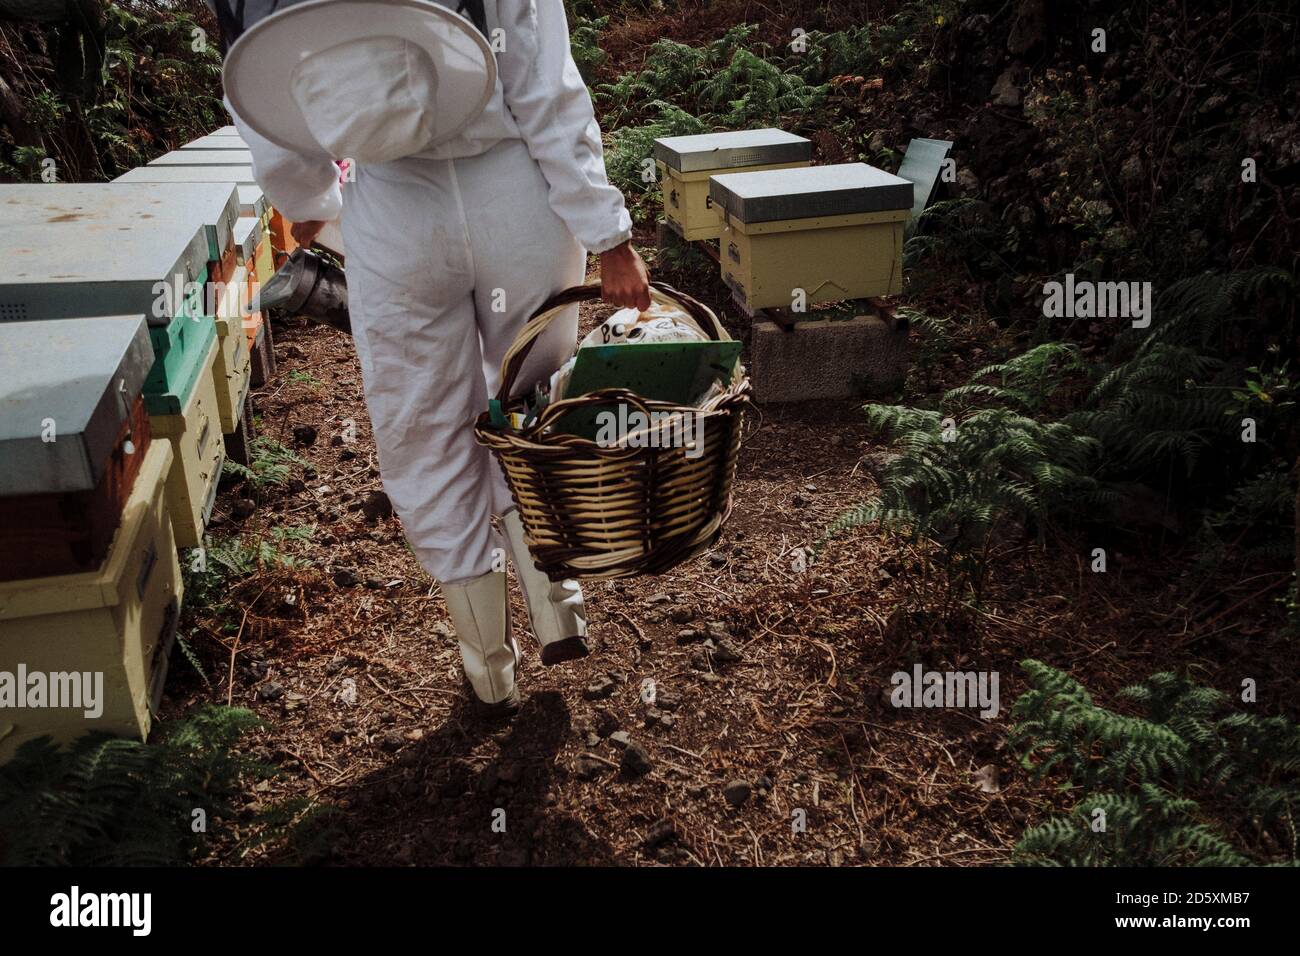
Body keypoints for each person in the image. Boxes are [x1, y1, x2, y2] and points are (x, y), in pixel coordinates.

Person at [215, 0, 652, 718]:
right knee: (530, 402)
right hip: (516, 196)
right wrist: (608, 234)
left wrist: (312, 199)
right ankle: (558, 611)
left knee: (425, 428)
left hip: (392, 204)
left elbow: (263, 93)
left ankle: (489, 672)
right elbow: (546, 85)